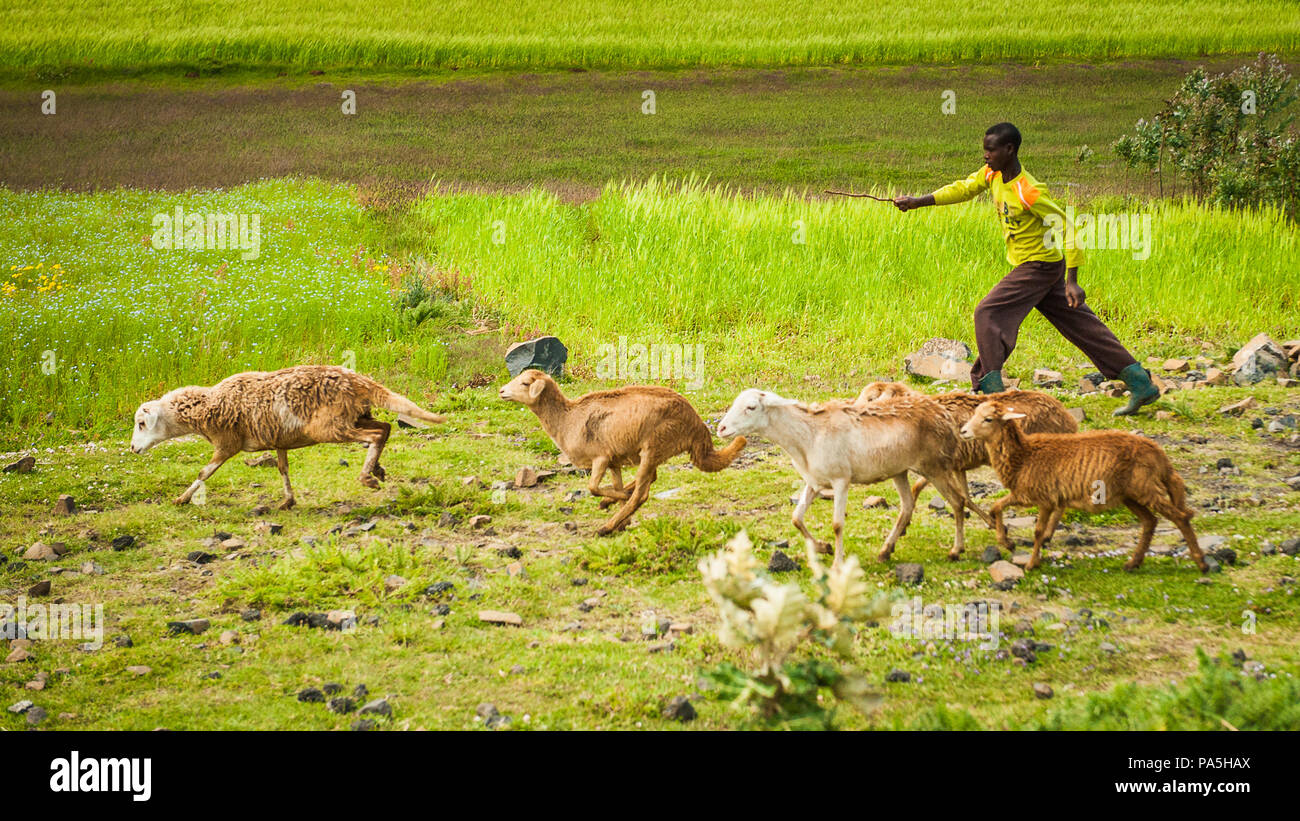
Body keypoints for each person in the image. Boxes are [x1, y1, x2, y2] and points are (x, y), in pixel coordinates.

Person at [892, 122, 1158, 416]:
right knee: (1083, 326)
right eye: (984, 149)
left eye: (991, 150)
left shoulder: (1028, 191)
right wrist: (919, 202)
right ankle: (1140, 382)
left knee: (988, 312)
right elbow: (964, 189)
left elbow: (1068, 228)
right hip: (1038, 268)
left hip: (1039, 267)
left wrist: (1073, 280)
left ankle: (990, 389)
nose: (985, 155)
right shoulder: (992, 174)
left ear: (1010, 149)